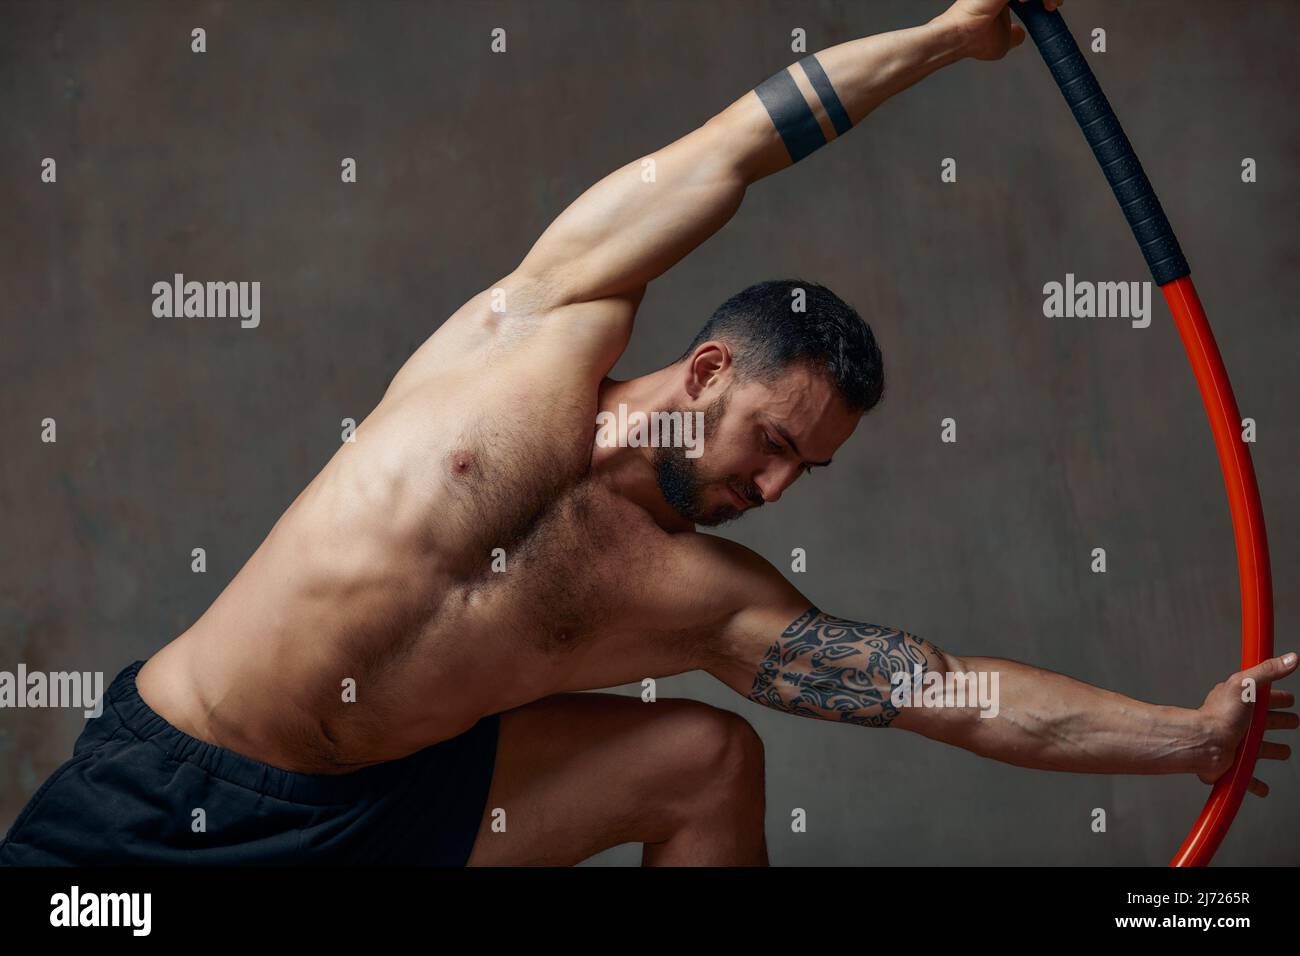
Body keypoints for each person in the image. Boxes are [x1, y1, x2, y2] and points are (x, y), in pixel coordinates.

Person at [2, 0, 1293, 867]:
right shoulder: (543, 324)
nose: (781, 488)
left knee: (704, 758)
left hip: (397, 813)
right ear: (710, 369)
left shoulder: (702, 599)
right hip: (172, 786)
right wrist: (949, 40)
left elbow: (941, 694)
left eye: (809, 469)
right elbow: (744, 143)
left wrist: (1188, 735)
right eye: (774, 443)